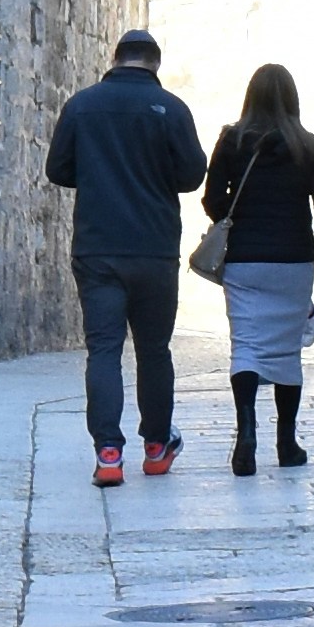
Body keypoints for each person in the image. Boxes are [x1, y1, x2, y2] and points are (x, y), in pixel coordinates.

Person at [43, 28, 207, 488]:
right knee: (154, 350)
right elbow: (194, 174)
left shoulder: (81, 105)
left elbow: (57, 169)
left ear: (115, 59)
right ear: (155, 63)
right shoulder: (172, 109)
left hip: (98, 248)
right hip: (154, 248)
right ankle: (156, 446)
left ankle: (109, 453)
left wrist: (98, 174)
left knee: (104, 350)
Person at [197, 64, 314, 479]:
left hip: (245, 259)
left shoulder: (231, 141)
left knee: (247, 346)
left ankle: (246, 433)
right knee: (286, 353)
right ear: (293, 99)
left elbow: (212, 199)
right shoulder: (308, 147)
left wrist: (234, 217)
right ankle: (286, 443)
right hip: (293, 260)